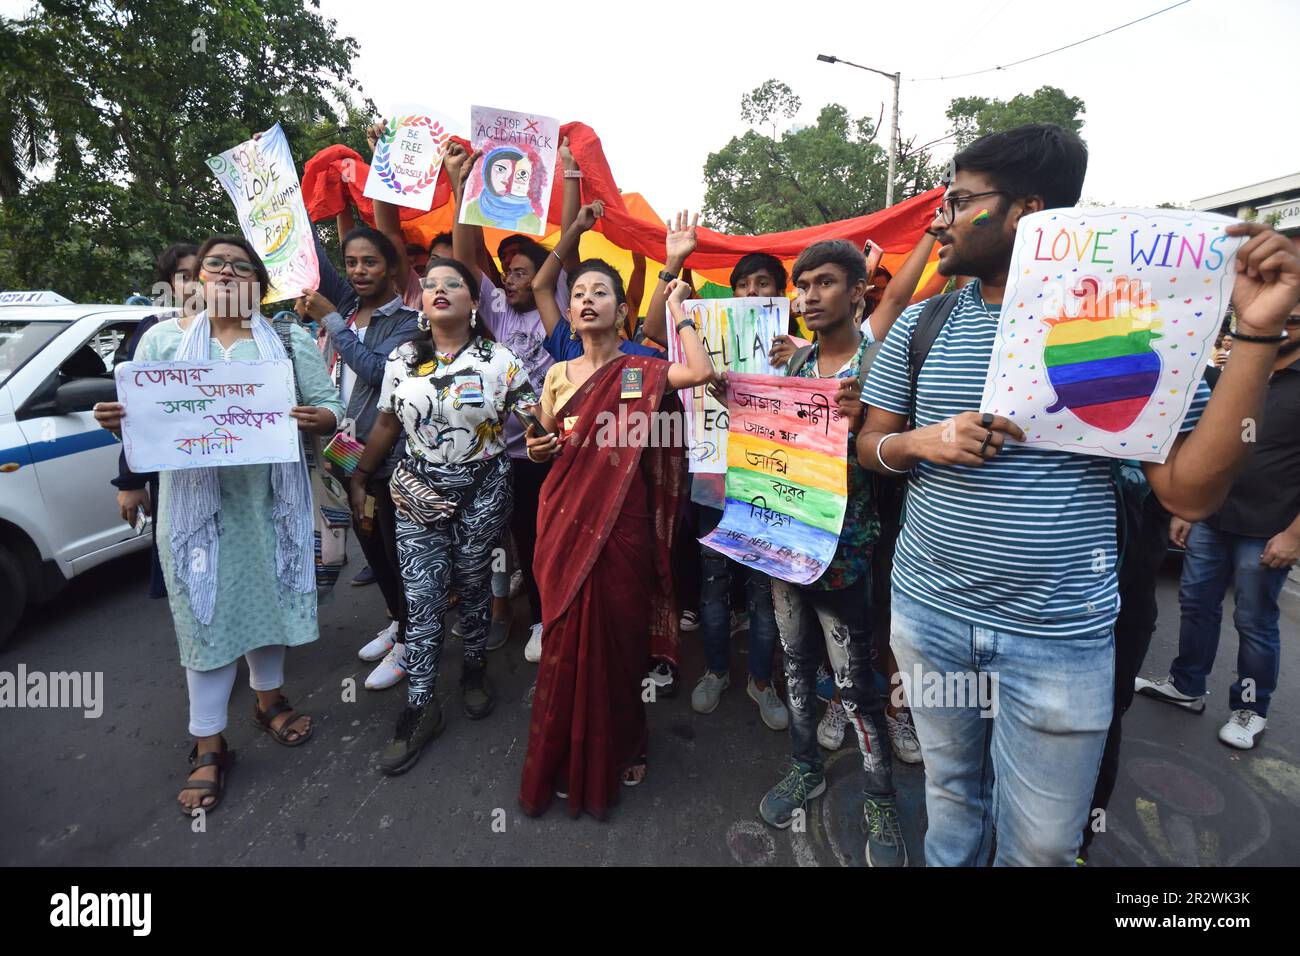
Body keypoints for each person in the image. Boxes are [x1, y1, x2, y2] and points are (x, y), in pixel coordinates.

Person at [859, 123, 1300, 866]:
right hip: (928, 617)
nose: (942, 216)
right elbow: (870, 445)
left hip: (1057, 642)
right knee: (951, 798)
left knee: (1040, 847)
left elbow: (1190, 493)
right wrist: (919, 442)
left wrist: (1254, 338)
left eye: (961, 199)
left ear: (1028, 211)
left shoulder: (1117, 331)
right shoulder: (922, 323)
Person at [93, 235, 343, 815]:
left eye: (241, 267)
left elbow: (333, 408)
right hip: (195, 511)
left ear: (257, 282)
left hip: (269, 502)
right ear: (199, 277)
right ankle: (208, 743)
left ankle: (269, 701)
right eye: (216, 265)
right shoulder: (162, 340)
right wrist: (116, 424)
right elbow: (143, 427)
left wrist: (318, 417)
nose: (228, 274)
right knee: (203, 618)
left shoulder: (286, 338)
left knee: (269, 601)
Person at [518, 249, 714, 820]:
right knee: (564, 641)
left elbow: (699, 373)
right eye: (578, 294)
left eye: (600, 292)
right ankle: (560, 754)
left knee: (621, 640)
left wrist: (679, 309)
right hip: (563, 518)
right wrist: (536, 447)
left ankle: (627, 741)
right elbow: (539, 437)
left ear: (622, 309)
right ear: (570, 313)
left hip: (624, 522)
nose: (586, 300)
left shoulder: (643, 369)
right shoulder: (558, 375)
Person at [743, 239, 907, 867]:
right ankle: (805, 767)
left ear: (859, 292)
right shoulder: (793, 367)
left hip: (848, 555)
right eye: (802, 284)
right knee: (794, 667)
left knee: (855, 683)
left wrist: (867, 418)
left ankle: (881, 797)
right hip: (783, 548)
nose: (809, 296)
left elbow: (895, 459)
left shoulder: (884, 366)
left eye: (825, 283)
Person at [348, 256, 537, 775]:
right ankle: (421, 703)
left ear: (473, 302)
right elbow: (387, 421)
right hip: (416, 490)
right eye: (429, 284)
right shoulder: (403, 358)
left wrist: (555, 438)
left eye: (452, 283)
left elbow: (535, 415)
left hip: (485, 487)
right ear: (422, 303)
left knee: (475, 584)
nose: (438, 290)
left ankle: (474, 669)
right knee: (424, 595)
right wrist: (362, 473)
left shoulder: (501, 360)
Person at [1136, 307, 1300, 750]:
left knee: (1255, 620)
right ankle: (1186, 685)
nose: (1282, 327)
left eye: (1295, 321)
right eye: (1277, 318)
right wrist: (1188, 508)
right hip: (1213, 517)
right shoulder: (1237, 371)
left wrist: (1294, 535)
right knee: (1196, 603)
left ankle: (1250, 708)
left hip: (1267, 529)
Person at [445, 140, 580, 663]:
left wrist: (569, 175)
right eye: (506, 272)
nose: (510, 277)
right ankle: (509, 613)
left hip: (552, 448)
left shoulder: (559, 306)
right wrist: (464, 188)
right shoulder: (497, 313)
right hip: (503, 453)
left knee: (546, 536)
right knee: (505, 536)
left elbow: (565, 247)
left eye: (522, 270)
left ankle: (550, 618)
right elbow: (463, 259)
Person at [298, 225, 422, 690]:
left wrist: (331, 320)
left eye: (369, 262)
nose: (358, 271)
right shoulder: (347, 306)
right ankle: (397, 622)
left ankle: (413, 640)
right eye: (351, 262)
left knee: (396, 549)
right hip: (346, 453)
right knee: (369, 546)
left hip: (387, 459)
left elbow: (374, 371)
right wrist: (285, 187)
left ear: (391, 268)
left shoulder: (410, 322)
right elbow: (312, 257)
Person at [111, 241, 201, 599]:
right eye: (183, 277)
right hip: (176, 471)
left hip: (235, 468)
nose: (193, 284)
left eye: (200, 275)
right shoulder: (154, 333)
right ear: (170, 284)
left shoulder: (244, 326)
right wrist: (130, 481)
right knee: (187, 567)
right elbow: (136, 409)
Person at [460, 145, 543, 234]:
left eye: (515, 172)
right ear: (487, 171)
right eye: (500, 169)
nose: (506, 178)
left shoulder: (532, 220)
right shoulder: (472, 208)